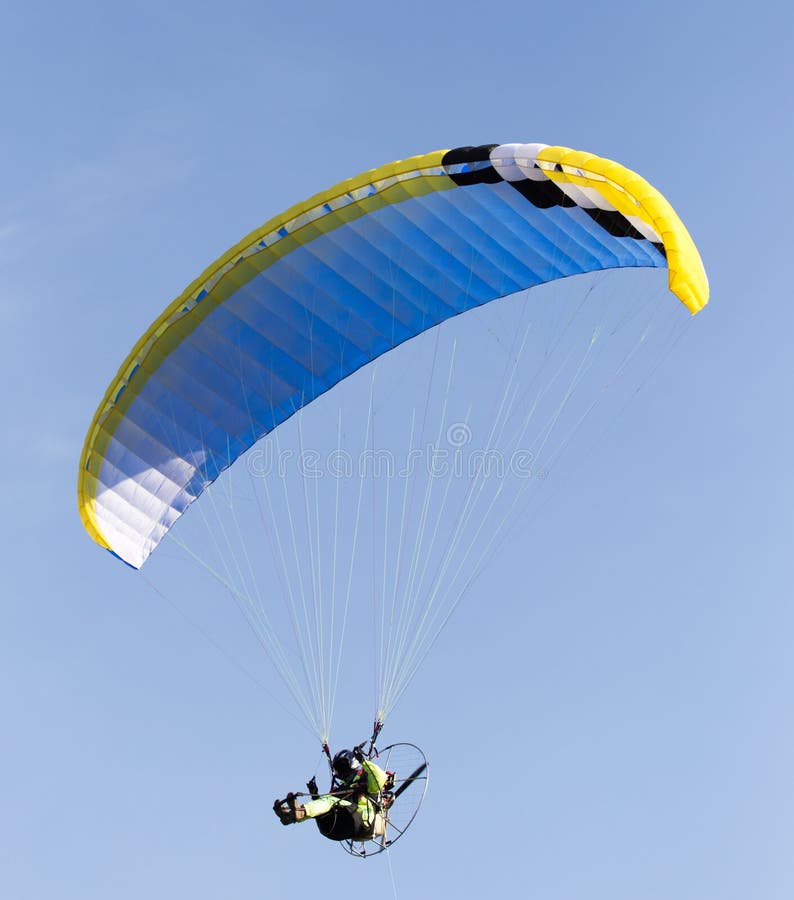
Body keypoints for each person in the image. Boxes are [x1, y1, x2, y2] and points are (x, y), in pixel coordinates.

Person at [274, 748, 393, 841]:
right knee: (324, 807)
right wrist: (314, 794)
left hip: (360, 821)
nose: (341, 773)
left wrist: (363, 760)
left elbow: (380, 777)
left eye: (343, 768)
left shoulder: (367, 781)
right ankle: (291, 816)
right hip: (334, 828)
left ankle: (299, 812)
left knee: (329, 800)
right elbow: (322, 806)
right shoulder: (341, 789)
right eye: (338, 770)